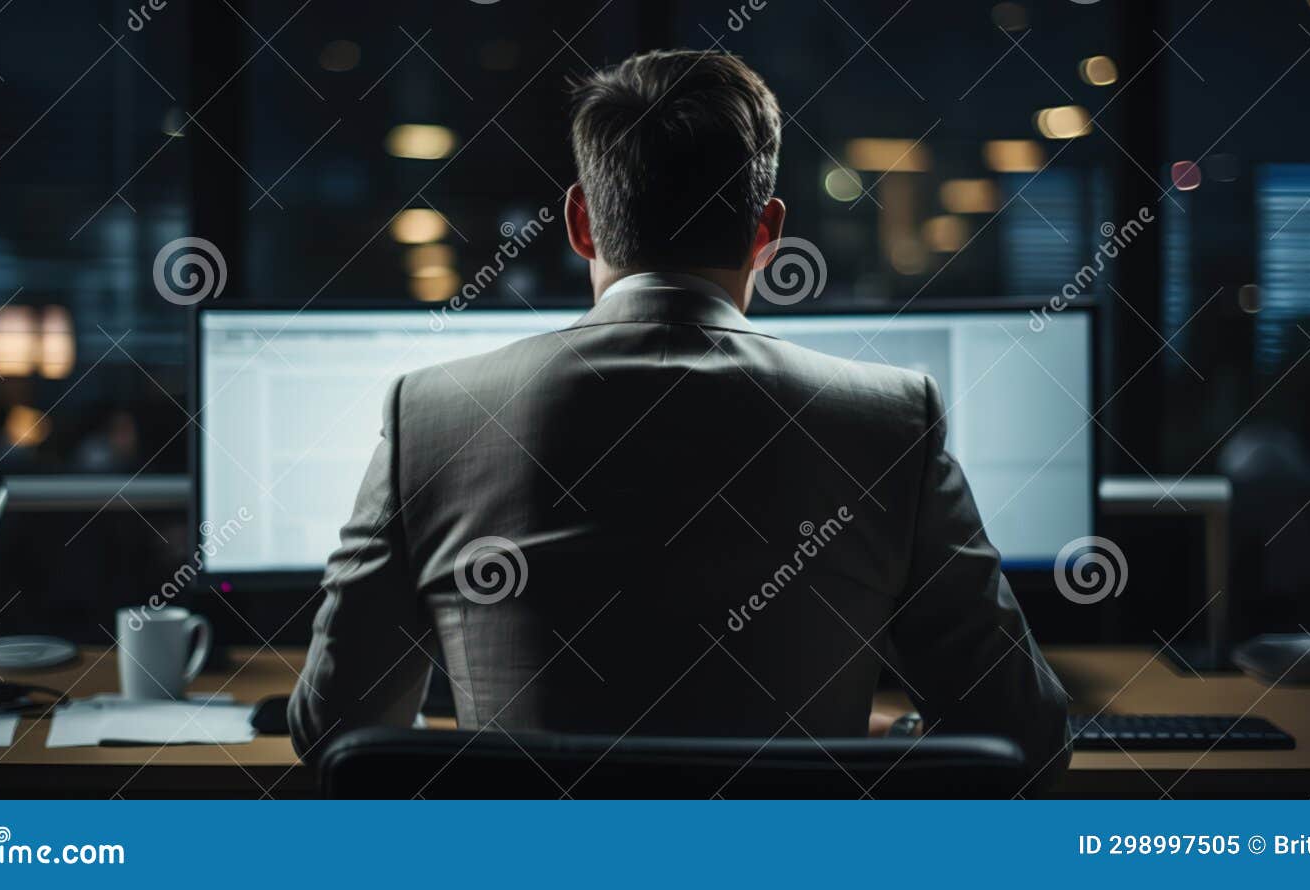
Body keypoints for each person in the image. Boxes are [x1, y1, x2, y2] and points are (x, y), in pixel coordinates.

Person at [290, 49, 1070, 782]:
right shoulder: (889, 419)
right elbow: (1025, 739)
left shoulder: (431, 413)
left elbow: (336, 732)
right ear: (766, 232)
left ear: (580, 223)